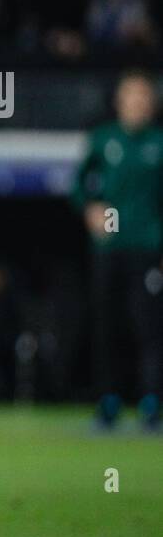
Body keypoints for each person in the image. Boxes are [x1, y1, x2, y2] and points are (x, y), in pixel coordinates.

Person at [72, 71, 163, 431]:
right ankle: (108, 401)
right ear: (120, 100)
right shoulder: (104, 140)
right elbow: (80, 186)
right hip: (110, 244)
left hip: (148, 245)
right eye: (132, 96)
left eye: (144, 96)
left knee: (149, 326)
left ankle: (151, 402)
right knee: (107, 325)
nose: (138, 103)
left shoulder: (158, 143)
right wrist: (91, 208)